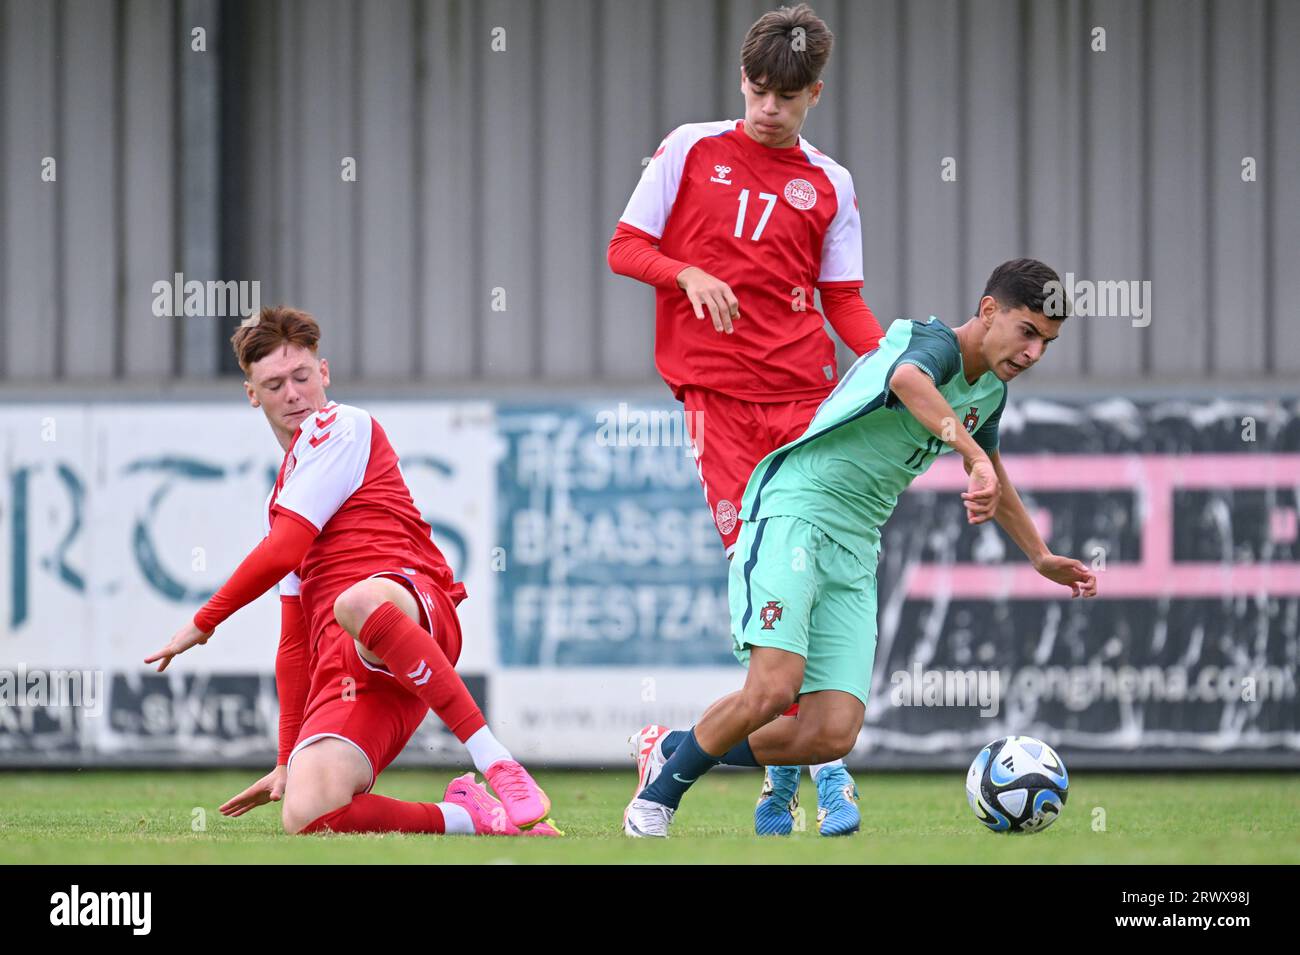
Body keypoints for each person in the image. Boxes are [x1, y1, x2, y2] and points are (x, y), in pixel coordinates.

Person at [623, 259, 1099, 837]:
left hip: (855, 542)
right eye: (1028, 332)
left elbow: (994, 471)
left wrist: (1039, 555)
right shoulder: (930, 344)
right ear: (989, 310)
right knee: (775, 688)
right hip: (795, 511)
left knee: (830, 733)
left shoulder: (989, 394)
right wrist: (970, 457)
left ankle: (671, 747)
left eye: (1046, 343)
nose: (1033, 354)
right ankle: (654, 804)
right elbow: (907, 382)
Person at [608, 2, 883, 836]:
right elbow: (625, 246)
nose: (769, 107)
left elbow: (844, 303)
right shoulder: (689, 147)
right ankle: (802, 770)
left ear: (815, 96)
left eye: (787, 97)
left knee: (809, 572)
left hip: (807, 402)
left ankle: (796, 770)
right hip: (717, 404)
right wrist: (684, 273)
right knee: (763, 574)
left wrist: (890, 366)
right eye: (759, 91)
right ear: (743, 82)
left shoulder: (830, 183)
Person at [145, 306, 558, 838]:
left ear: (325, 373)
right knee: (309, 812)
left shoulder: (343, 426)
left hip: (409, 606)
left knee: (357, 602)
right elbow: (294, 641)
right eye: (274, 384)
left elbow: (282, 552)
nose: (293, 394)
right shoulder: (285, 493)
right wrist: (286, 758)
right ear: (253, 394)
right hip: (354, 667)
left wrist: (204, 622)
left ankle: (498, 762)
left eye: (302, 377)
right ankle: (475, 818)